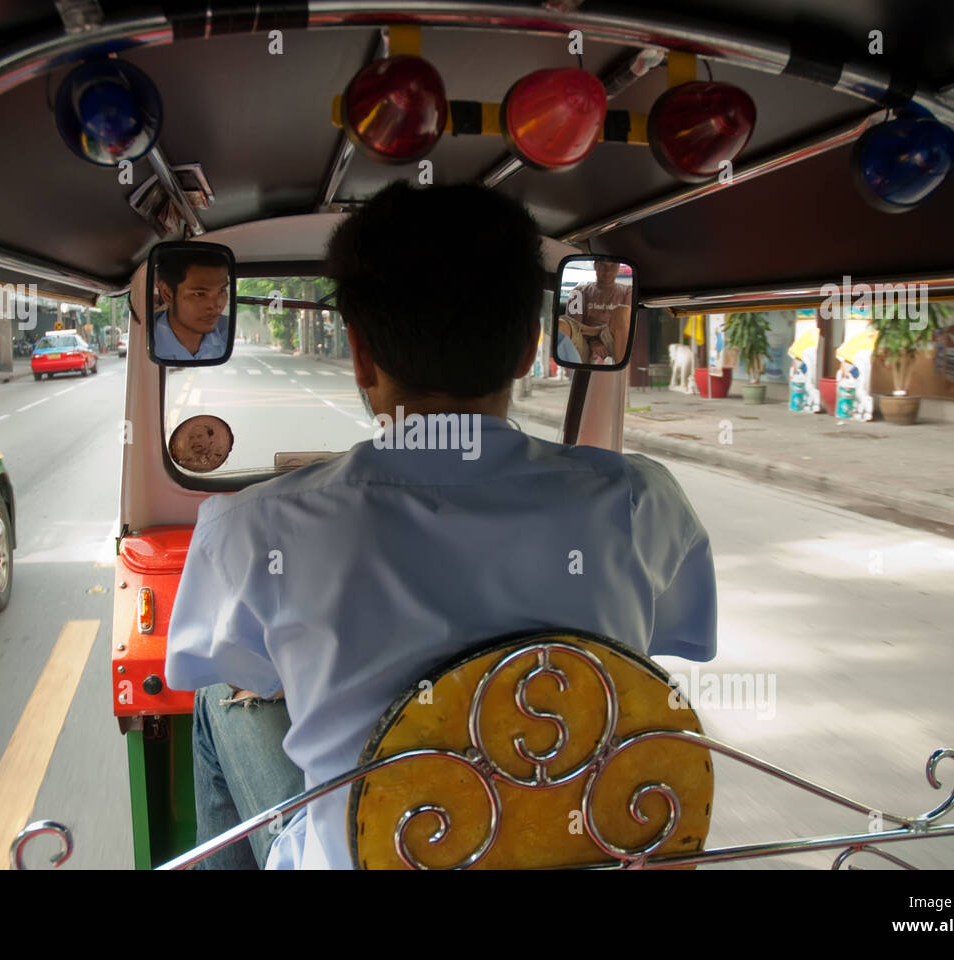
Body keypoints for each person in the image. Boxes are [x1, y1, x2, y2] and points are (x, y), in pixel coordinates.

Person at [164, 182, 718, 870]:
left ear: (361, 356)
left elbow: (222, 666)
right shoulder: (639, 500)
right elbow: (648, 653)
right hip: (582, 851)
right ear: (528, 350)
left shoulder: (254, 527)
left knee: (222, 700)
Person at [152, 249, 231, 361]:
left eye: (222, 290)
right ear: (167, 293)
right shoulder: (145, 339)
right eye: (199, 294)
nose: (215, 305)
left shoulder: (227, 331)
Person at [559, 261, 632, 364]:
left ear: (618, 267)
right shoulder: (578, 292)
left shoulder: (627, 291)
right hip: (585, 342)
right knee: (561, 325)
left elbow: (628, 323)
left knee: (623, 311)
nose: (608, 270)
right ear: (595, 265)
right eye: (603, 265)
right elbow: (574, 325)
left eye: (612, 265)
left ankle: (620, 366)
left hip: (613, 340)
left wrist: (596, 331)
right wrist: (593, 340)